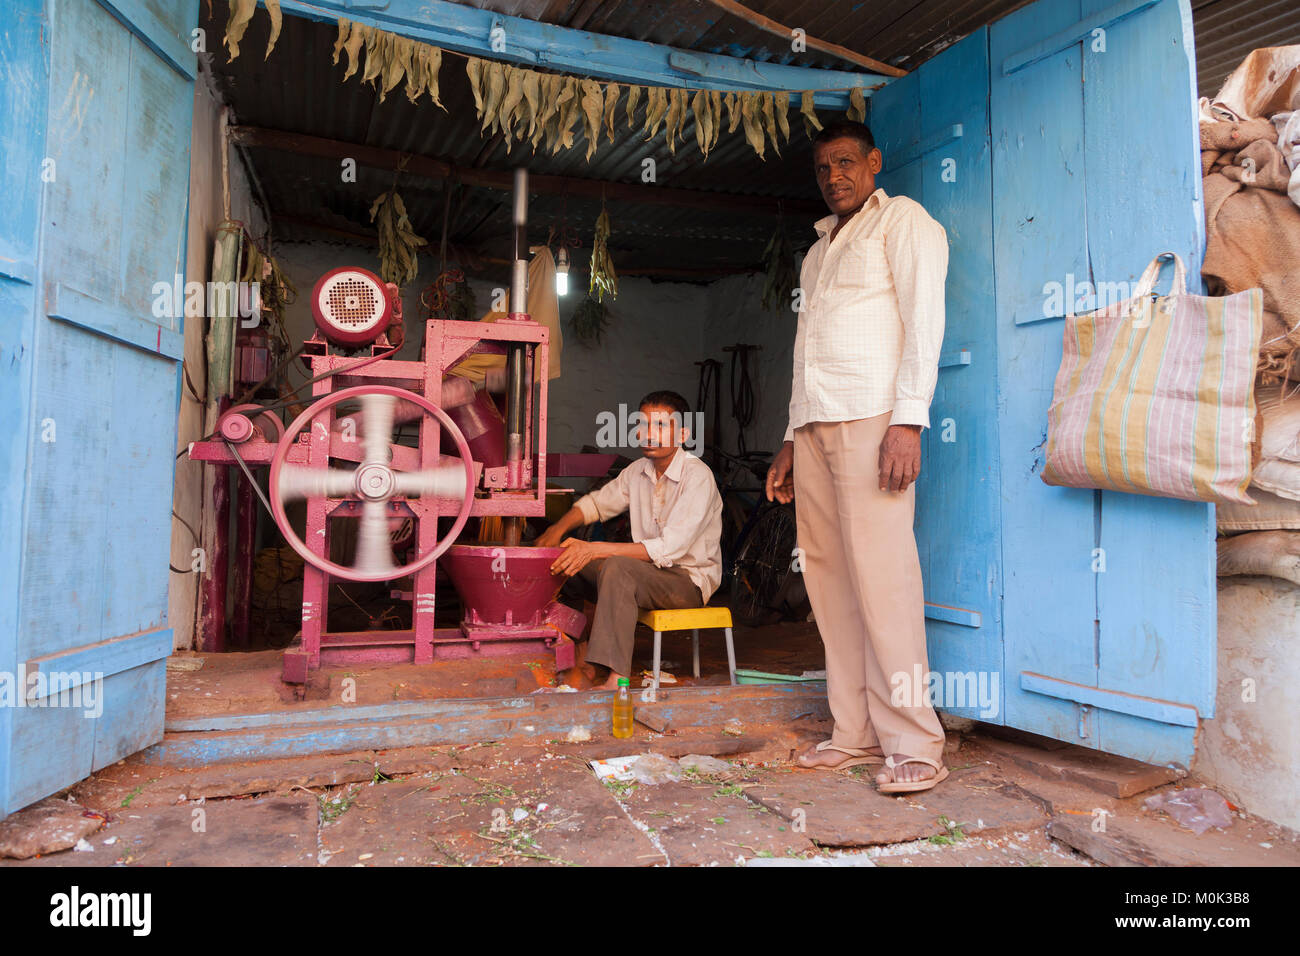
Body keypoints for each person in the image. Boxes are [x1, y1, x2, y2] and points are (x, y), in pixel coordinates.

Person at [765, 120, 950, 794]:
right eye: (823, 168)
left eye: (846, 162)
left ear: (874, 161)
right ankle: (855, 734)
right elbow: (805, 351)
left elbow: (924, 321)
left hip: (874, 417)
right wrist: (790, 434)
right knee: (830, 584)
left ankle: (917, 744)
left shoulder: (903, 222)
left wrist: (909, 420)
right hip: (815, 426)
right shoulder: (817, 252)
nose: (834, 176)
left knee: (884, 580)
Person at [537, 390, 722, 690]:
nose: (649, 434)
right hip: (646, 574)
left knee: (617, 568)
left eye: (661, 426)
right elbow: (597, 504)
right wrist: (557, 530)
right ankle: (578, 654)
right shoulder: (638, 471)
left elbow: (668, 549)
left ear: (684, 433)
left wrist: (595, 549)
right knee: (563, 562)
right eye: (644, 424)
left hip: (687, 582)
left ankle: (614, 676)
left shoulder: (698, 477)